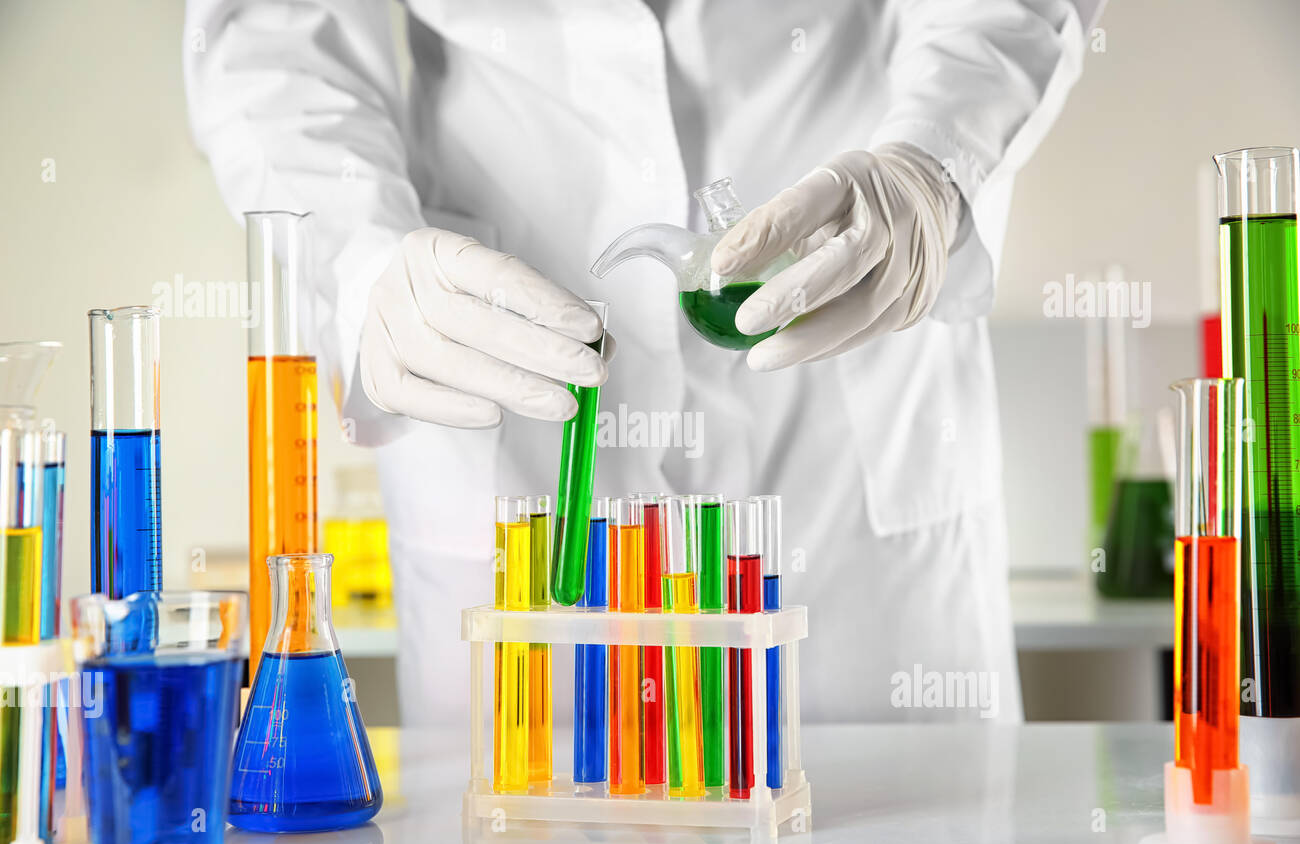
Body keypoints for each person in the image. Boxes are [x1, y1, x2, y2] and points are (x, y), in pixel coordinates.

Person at [184, 0, 1102, 726]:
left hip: (847, 404)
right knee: (530, 813)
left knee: (897, 828)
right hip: (509, 410)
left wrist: (932, 165)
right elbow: (271, 36)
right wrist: (366, 258)